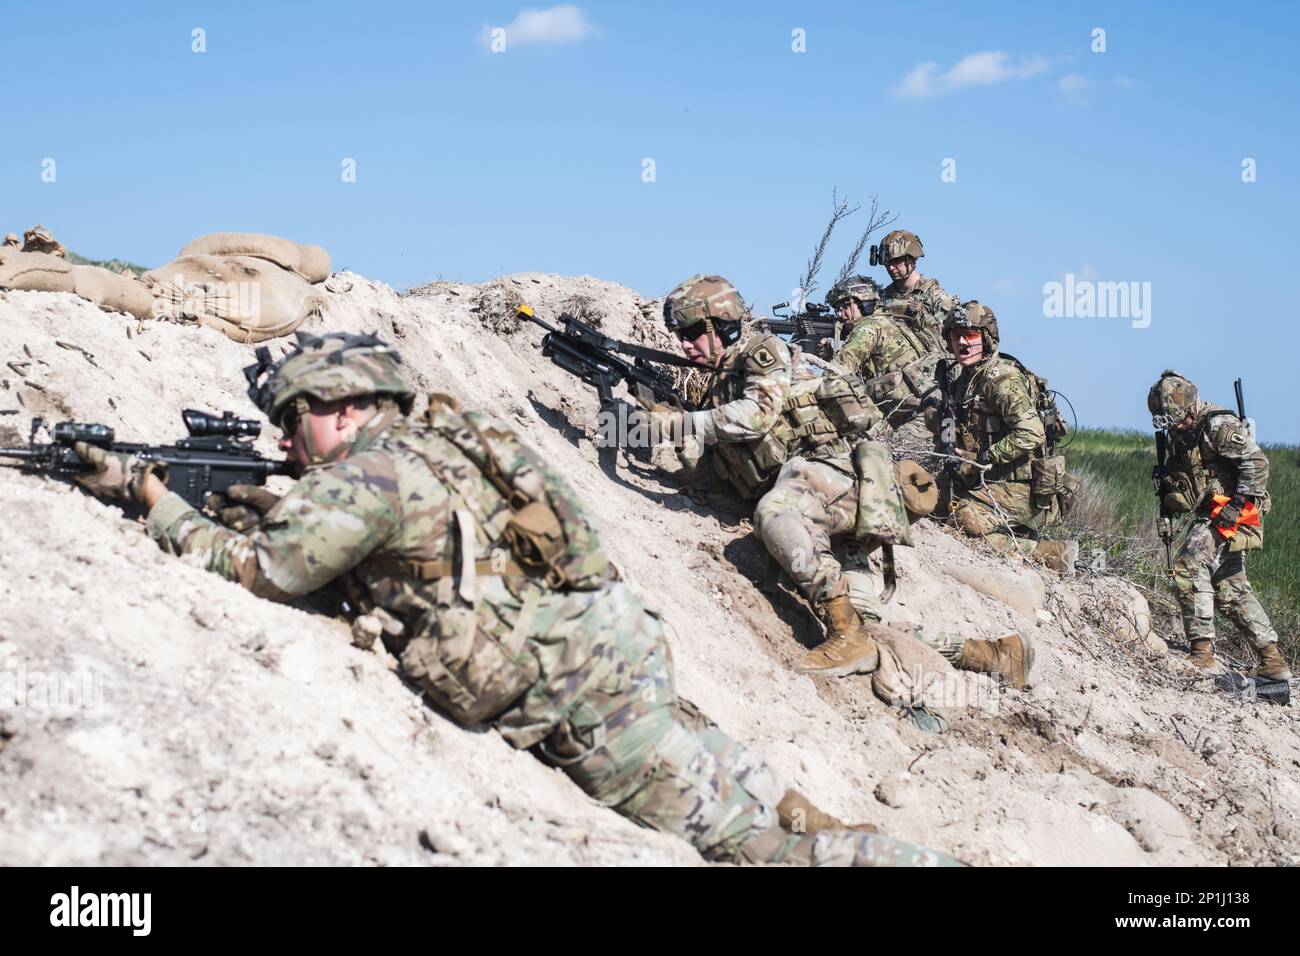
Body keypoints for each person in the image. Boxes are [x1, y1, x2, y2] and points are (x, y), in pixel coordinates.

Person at [70, 329, 960, 866]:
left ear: (340, 407)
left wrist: (153, 502)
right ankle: (801, 809)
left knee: (751, 849)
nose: (284, 441)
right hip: (619, 648)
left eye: (293, 419)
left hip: (586, 705)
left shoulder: (371, 476)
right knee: (744, 787)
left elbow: (262, 573)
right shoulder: (448, 437)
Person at [653, 275, 1032, 687]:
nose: (685, 344)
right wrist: (679, 436)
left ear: (720, 324)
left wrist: (677, 423)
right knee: (871, 628)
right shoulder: (722, 387)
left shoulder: (762, 352)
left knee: (773, 512)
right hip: (821, 509)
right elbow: (717, 480)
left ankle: (845, 636)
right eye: (679, 335)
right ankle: (993, 653)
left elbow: (757, 417)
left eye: (692, 333)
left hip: (834, 478)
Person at [1148, 370, 1291, 679]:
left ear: (1189, 407)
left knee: (1188, 565)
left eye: (1177, 420)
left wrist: (1237, 506)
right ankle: (1272, 660)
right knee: (1230, 587)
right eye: (1168, 422)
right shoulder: (1179, 429)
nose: (1175, 427)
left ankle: (1202, 653)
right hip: (1213, 510)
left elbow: (1258, 463)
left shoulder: (1217, 425)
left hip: (1233, 511)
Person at [938, 301, 1077, 574]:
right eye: (956, 336)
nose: (963, 343)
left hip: (1022, 487)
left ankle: (1051, 553)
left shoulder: (1001, 379)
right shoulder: (967, 378)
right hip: (990, 481)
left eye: (971, 335)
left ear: (987, 339)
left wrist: (985, 458)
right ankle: (1021, 535)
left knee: (963, 521)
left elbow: (1032, 432)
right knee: (936, 505)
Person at [828, 274, 947, 448]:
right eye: (837, 308)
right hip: (927, 418)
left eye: (845, 306)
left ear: (864, 302)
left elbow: (837, 371)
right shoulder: (889, 321)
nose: (840, 314)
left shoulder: (868, 327)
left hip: (915, 424)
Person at [874, 229, 957, 326]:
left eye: (897, 261)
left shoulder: (935, 296)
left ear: (911, 259)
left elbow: (949, 335)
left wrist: (923, 315)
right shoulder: (882, 297)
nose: (891, 267)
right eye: (887, 263)